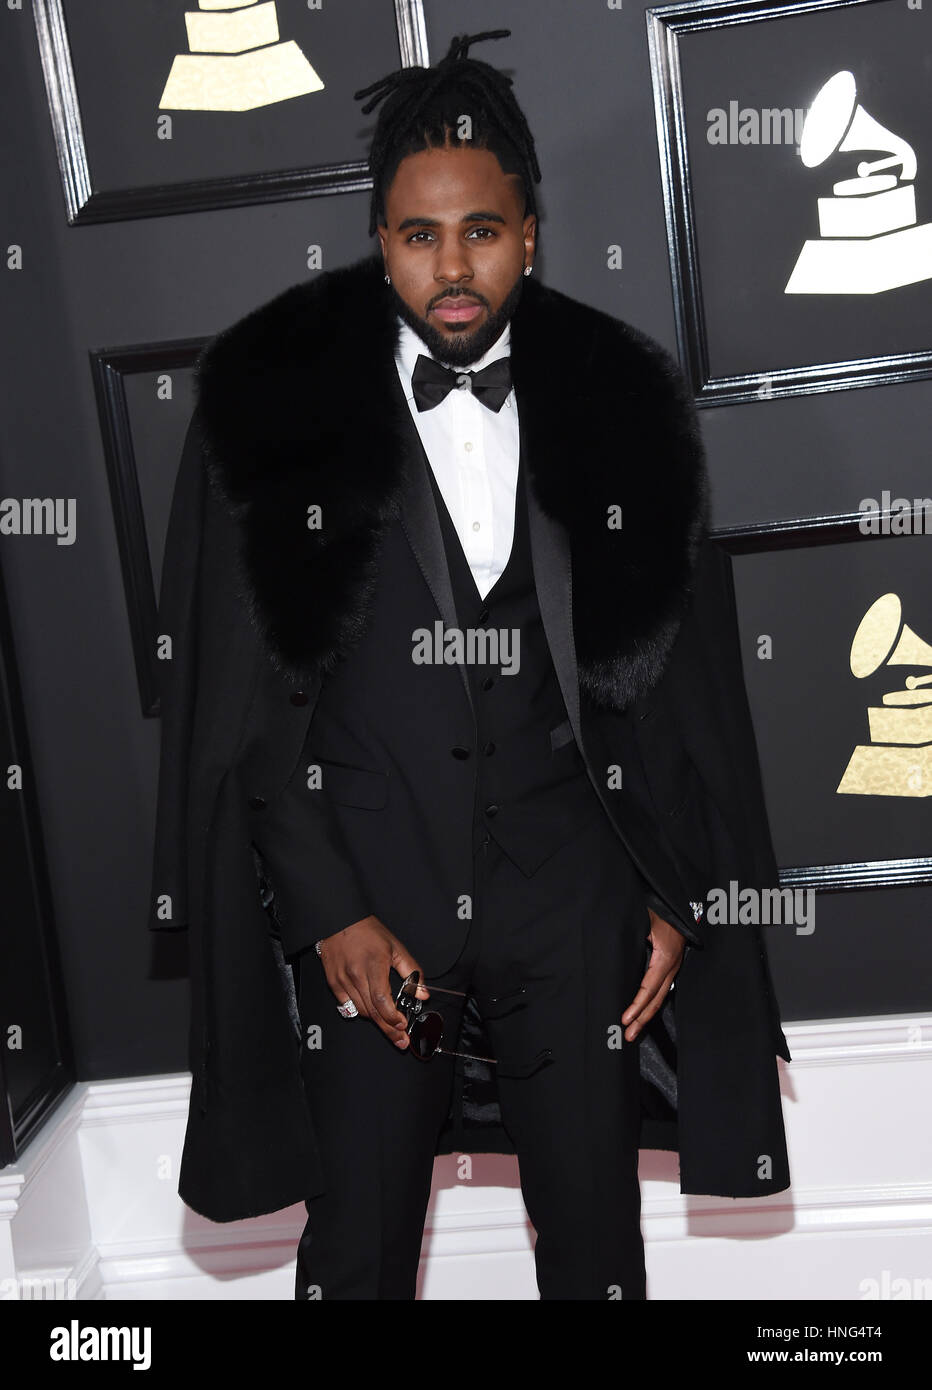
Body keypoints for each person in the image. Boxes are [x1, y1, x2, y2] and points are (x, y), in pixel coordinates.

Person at [149, 29, 791, 1301]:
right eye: (415, 236)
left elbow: (686, 695)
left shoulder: (618, 393)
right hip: (371, 910)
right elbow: (239, 711)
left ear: (531, 233)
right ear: (377, 236)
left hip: (569, 906)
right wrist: (327, 907)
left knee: (598, 1252)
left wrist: (670, 895)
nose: (450, 269)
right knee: (357, 1258)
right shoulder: (278, 408)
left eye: (480, 233)